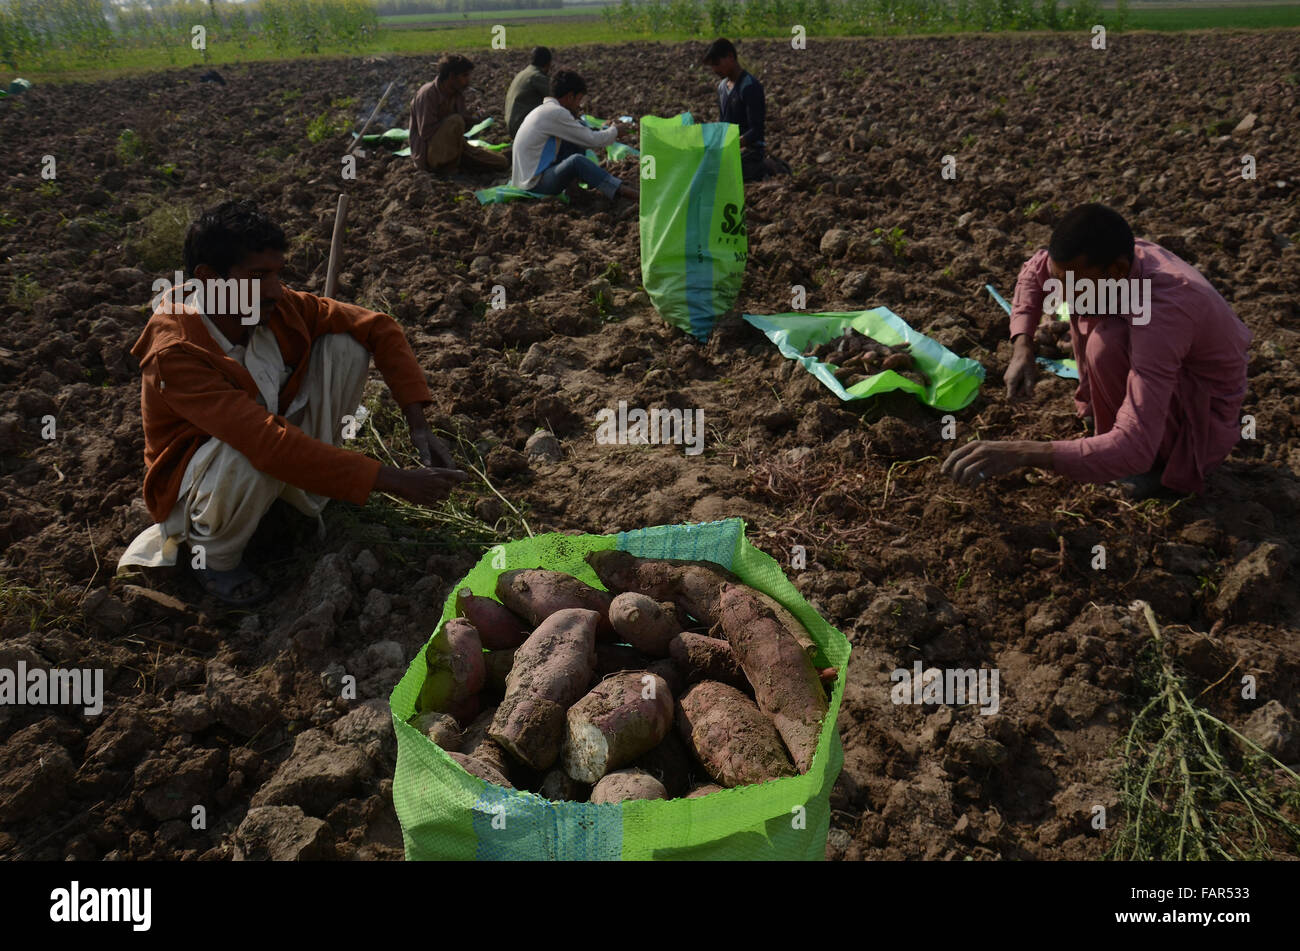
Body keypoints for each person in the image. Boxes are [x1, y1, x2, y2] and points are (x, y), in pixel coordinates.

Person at [117, 201, 468, 605]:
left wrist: (418, 424)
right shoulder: (176, 350)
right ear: (209, 279)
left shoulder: (277, 306)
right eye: (257, 275)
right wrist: (392, 481)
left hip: (271, 446)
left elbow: (379, 328)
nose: (273, 288)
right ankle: (214, 558)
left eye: (277, 273)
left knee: (345, 346)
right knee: (250, 454)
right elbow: (266, 443)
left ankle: (301, 499)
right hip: (203, 481)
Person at [943, 203, 1251, 498]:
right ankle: (1104, 433)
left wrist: (1023, 453)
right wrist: (1022, 347)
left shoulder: (1165, 309)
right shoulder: (1099, 263)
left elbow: (1136, 443)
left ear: (1117, 270)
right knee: (1102, 327)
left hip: (1196, 423)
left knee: (1107, 341)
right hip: (1157, 380)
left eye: (1072, 285)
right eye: (1059, 280)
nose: (1061, 296)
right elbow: (1033, 273)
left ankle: (1160, 466)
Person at [510, 69, 637, 201]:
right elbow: (591, 140)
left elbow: (580, 132)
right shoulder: (556, 113)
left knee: (577, 135)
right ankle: (621, 190)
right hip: (534, 183)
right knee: (576, 161)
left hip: (526, 178)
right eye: (579, 99)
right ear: (570, 96)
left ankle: (574, 190)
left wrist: (605, 129)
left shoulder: (545, 110)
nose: (579, 105)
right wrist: (615, 131)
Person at [409, 54, 509, 174]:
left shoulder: (457, 94)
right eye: (464, 76)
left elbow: (462, 128)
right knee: (455, 120)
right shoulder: (427, 94)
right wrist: (455, 121)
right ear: (451, 76)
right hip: (429, 156)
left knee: (501, 162)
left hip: (455, 148)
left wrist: (473, 119)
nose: (468, 80)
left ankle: (459, 162)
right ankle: (449, 168)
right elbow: (426, 132)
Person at [702, 37, 784, 182]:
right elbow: (723, 125)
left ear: (730, 57)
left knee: (723, 175)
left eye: (717, 64)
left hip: (750, 151)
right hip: (730, 149)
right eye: (712, 66)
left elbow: (756, 130)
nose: (715, 70)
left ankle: (768, 166)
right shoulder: (722, 88)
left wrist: (734, 144)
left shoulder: (749, 86)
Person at [506, 46, 554, 138]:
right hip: (521, 128)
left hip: (513, 125)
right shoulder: (537, 77)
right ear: (549, 63)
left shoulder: (523, 73)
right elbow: (557, 99)